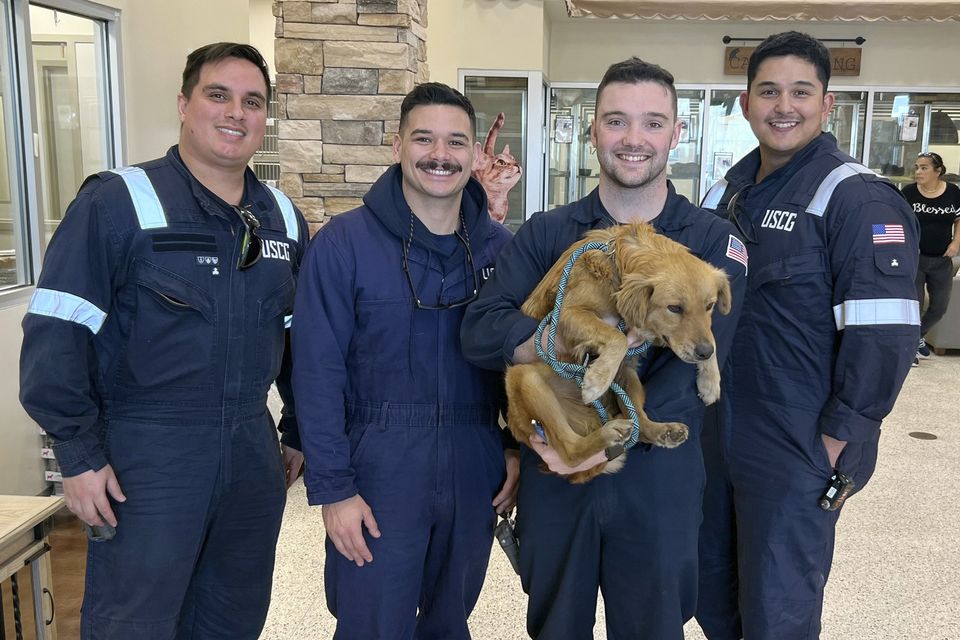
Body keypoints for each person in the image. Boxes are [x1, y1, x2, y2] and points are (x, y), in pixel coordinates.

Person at [19, 43, 307, 639]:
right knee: (136, 619)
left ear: (265, 119)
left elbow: (300, 339)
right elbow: (56, 332)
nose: (235, 113)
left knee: (233, 613)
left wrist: (298, 429)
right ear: (184, 103)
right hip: (148, 453)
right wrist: (77, 454)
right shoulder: (116, 202)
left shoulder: (281, 216)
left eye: (252, 102)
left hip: (250, 449)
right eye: (217, 94)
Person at [460, 58, 747, 640]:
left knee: (652, 627)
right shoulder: (547, 232)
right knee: (555, 626)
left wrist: (622, 423)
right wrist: (563, 354)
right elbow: (481, 329)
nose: (633, 139)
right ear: (592, 130)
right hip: (556, 467)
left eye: (652, 123)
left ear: (676, 132)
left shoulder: (713, 243)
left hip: (658, 474)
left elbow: (709, 363)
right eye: (616, 121)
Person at [696, 31, 920, 640]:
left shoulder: (856, 198)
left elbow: (884, 339)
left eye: (801, 91)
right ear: (745, 104)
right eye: (768, 91)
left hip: (798, 440)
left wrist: (839, 440)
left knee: (778, 607)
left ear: (827, 105)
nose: (783, 106)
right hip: (718, 433)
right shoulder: (726, 192)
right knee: (713, 591)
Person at [291, 82, 519, 640]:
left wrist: (512, 450)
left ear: (475, 155)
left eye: (455, 142)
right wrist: (334, 488)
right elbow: (315, 373)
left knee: (450, 622)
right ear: (397, 145)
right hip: (378, 466)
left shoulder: (499, 250)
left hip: (473, 466)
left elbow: (519, 365)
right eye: (423, 138)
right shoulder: (344, 245)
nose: (439, 155)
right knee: (372, 623)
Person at [902, 151, 960, 363]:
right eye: (917, 167)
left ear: (938, 171)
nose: (918, 172)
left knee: (939, 307)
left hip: (942, 259)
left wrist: (956, 243)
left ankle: (917, 337)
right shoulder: (908, 193)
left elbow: (958, 219)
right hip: (915, 259)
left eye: (924, 167)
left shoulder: (953, 192)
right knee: (914, 306)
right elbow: (899, 221)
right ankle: (909, 350)